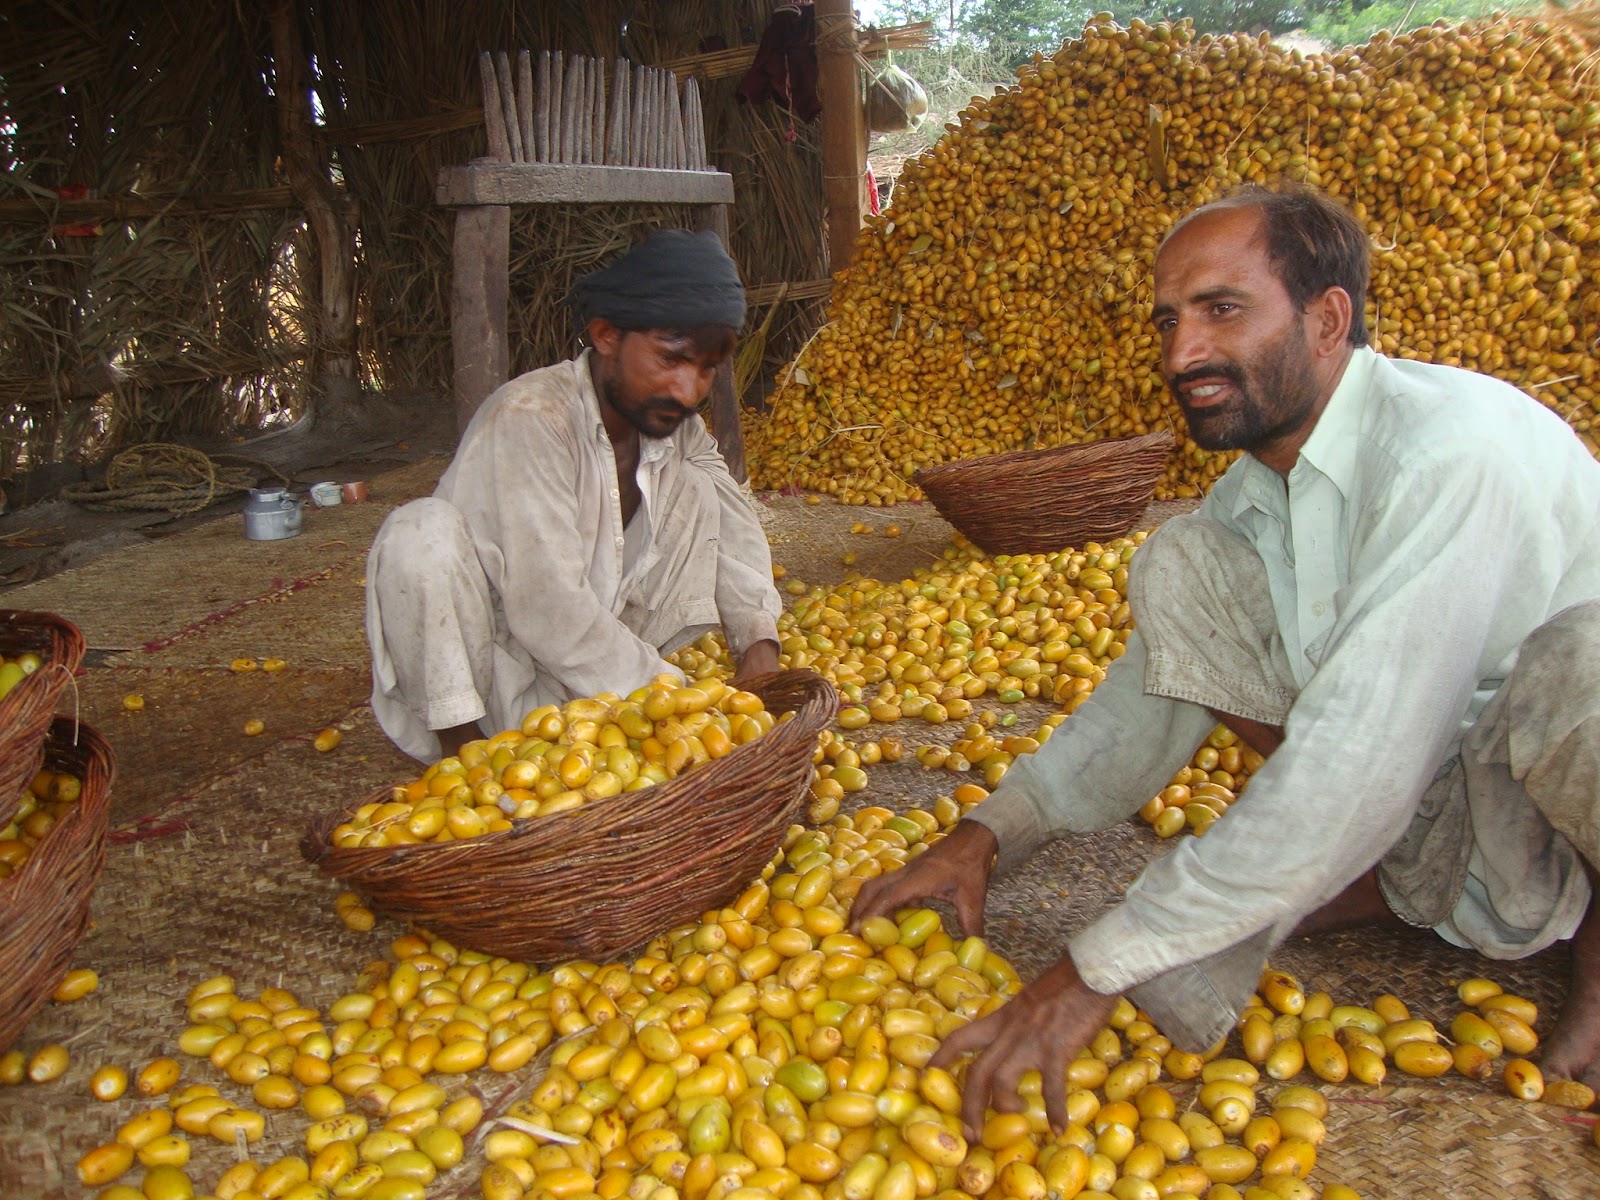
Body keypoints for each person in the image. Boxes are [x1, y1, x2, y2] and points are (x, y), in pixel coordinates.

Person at [853, 182, 1600, 1131]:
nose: (1182, 353)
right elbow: (1152, 690)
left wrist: (1097, 969)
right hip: (1455, 804)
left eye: (1222, 310)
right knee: (1179, 568)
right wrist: (988, 834)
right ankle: (1386, 876)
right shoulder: (1253, 495)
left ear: (1328, 319)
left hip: (1558, 792)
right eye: (1169, 319)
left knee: (1584, 662)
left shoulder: (1447, 454)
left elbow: (1364, 755)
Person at [366, 229, 783, 762]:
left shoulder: (672, 426)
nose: (689, 389)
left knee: (705, 486)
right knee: (418, 533)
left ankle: (601, 732)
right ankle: (462, 760)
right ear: (607, 335)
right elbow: (548, 607)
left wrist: (758, 650)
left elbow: (734, 523)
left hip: (601, 693)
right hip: (499, 677)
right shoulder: (532, 418)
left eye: (705, 368)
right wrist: (682, 701)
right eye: (671, 359)